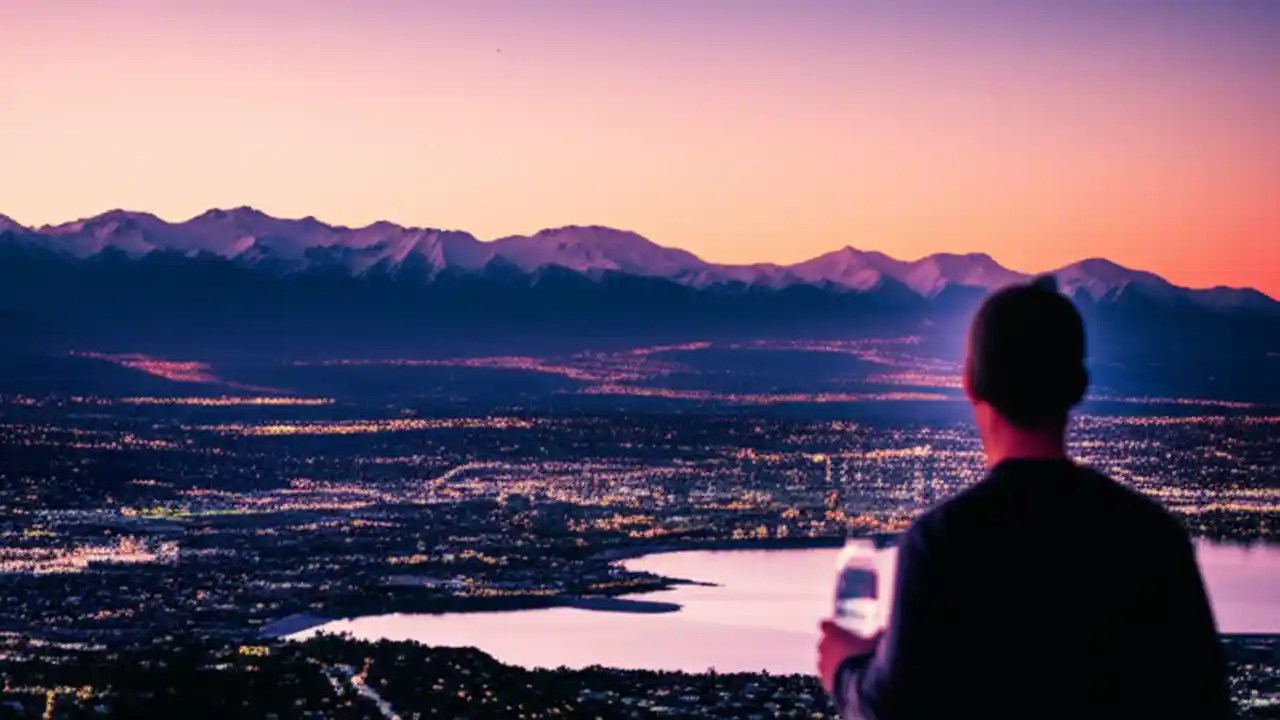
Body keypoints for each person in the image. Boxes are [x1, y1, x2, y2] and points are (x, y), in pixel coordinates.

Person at [816, 276, 1232, 720]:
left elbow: (893, 709)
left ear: (970, 383)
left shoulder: (944, 542)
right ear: (1079, 385)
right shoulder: (1151, 537)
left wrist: (846, 667)